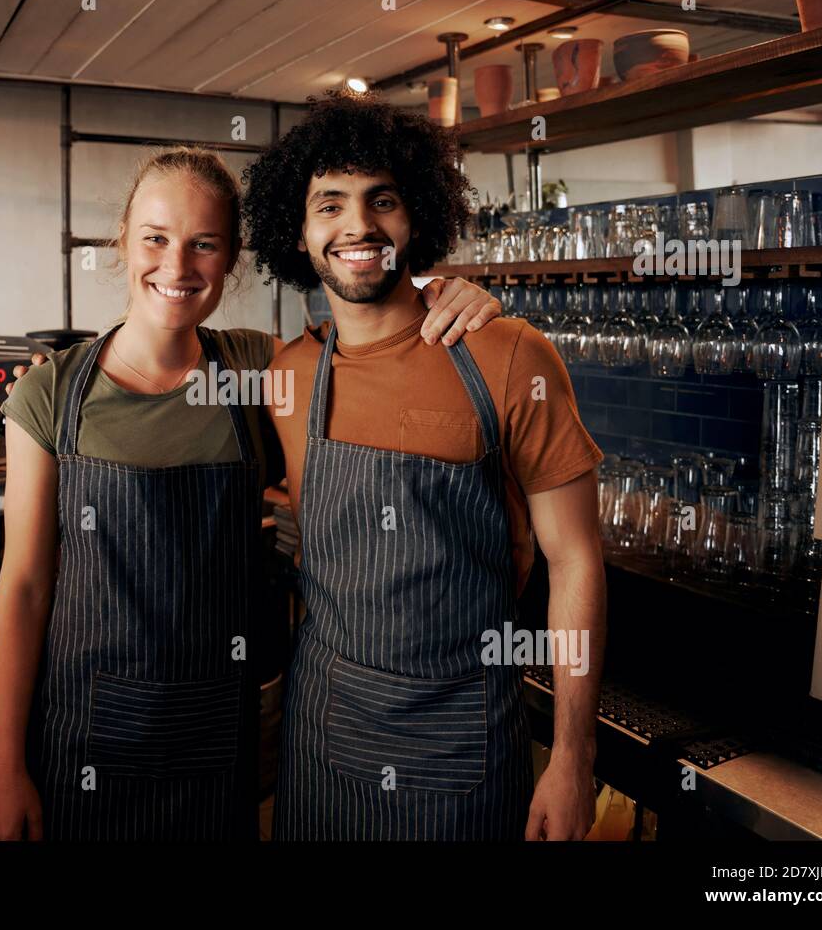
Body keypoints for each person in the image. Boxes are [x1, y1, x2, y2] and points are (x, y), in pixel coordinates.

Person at [0, 146, 502, 841]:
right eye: (157, 239)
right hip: (86, 739)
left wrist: (448, 288)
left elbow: (370, 332)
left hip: (216, 740)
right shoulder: (50, 394)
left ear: (230, 260)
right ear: (122, 242)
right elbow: (22, 589)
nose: (176, 266)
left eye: (204, 244)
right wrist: (3, 765)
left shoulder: (258, 368)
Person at [241, 90, 607, 841]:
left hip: (461, 743)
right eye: (329, 204)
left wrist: (573, 755)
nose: (358, 226)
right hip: (323, 736)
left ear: (418, 218)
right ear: (299, 230)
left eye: (384, 200)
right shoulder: (289, 375)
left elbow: (576, 562)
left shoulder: (506, 355)